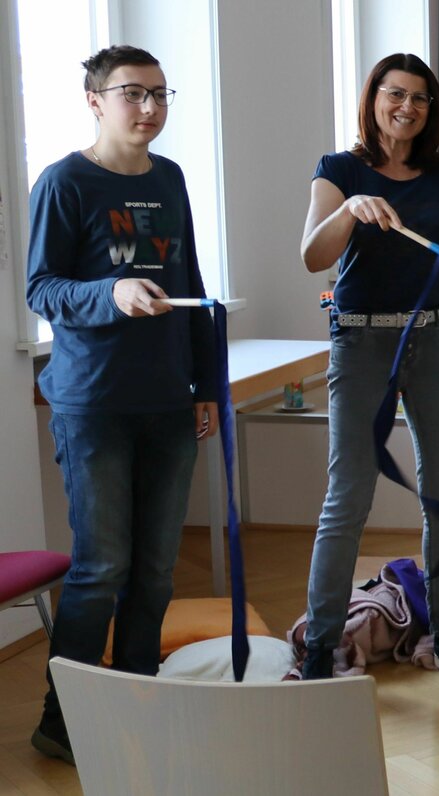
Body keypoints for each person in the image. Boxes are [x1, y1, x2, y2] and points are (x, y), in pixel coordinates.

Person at [25, 45, 219, 764]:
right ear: (95, 101)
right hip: (94, 407)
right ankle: (64, 722)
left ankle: (140, 698)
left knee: (157, 569)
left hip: (168, 402)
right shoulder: (64, 181)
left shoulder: (170, 177)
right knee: (101, 567)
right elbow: (42, 289)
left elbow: (191, 281)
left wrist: (206, 383)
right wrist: (112, 292)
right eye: (133, 93)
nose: (150, 107)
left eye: (160, 94)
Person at [299, 54, 439, 685]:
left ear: (431, 109)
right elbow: (312, 256)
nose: (408, 107)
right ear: (374, 98)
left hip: (437, 343)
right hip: (360, 343)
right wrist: (350, 208)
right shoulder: (340, 171)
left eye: (420, 98)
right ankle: (321, 643)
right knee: (348, 495)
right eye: (396, 94)